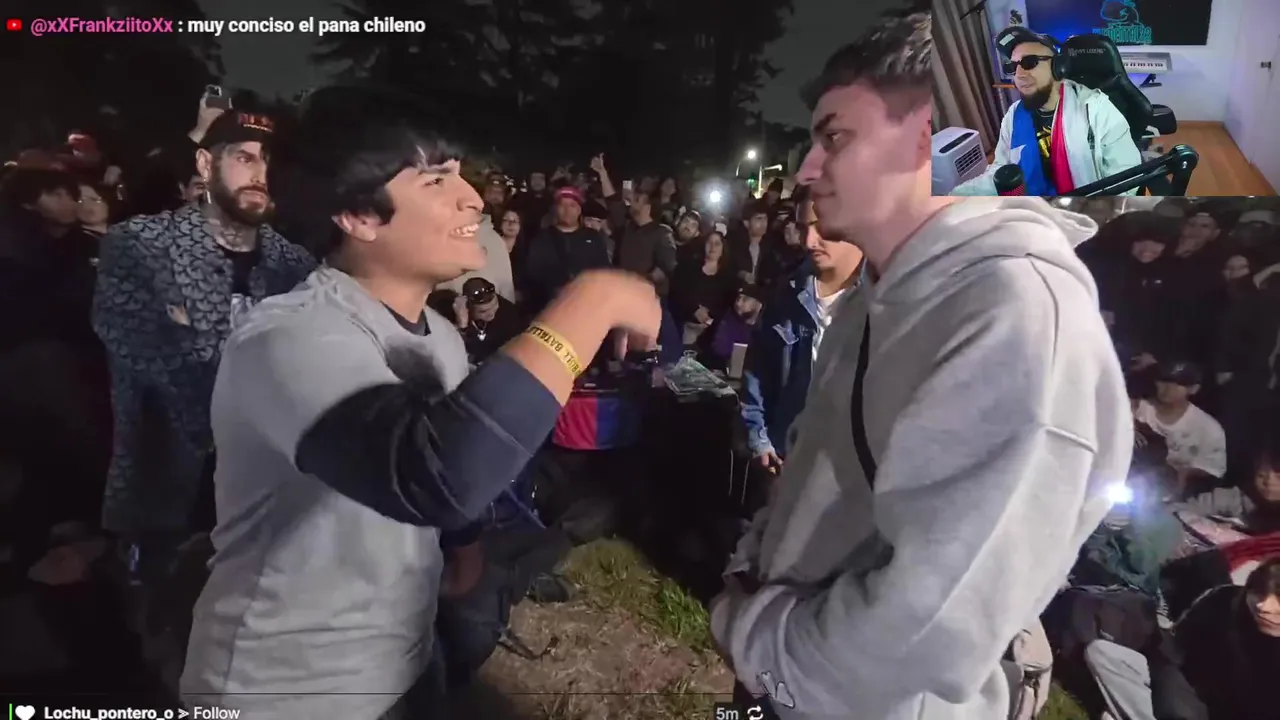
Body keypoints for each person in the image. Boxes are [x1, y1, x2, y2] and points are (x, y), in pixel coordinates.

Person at [179, 86, 661, 720]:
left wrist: (463, 545)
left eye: (460, 174)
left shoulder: (439, 336)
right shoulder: (288, 337)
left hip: (404, 665)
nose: (472, 199)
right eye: (436, 180)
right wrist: (593, 301)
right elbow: (432, 471)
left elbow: (452, 472)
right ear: (358, 215)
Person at [710, 11, 1133, 719]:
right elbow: (818, 468)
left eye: (834, 138)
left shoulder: (1019, 318)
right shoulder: (882, 290)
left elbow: (929, 626)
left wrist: (756, 639)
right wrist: (755, 576)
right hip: (788, 682)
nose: (806, 170)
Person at [92, 110, 315, 590]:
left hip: (270, 500)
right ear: (205, 164)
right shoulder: (141, 245)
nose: (261, 174)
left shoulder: (295, 265)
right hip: (171, 495)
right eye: (244, 158)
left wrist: (192, 333)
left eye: (271, 161)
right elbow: (152, 359)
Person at [740, 188, 865, 477]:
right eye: (803, 228)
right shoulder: (785, 294)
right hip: (788, 460)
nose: (809, 241)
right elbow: (757, 372)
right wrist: (760, 439)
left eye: (821, 226)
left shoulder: (888, 294)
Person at [950, 26, 1141, 197]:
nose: (1019, 75)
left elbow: (1126, 180)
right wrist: (955, 196)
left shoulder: (1096, 109)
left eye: (1030, 62)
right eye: (1013, 66)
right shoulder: (1013, 116)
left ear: (1059, 67)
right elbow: (1002, 170)